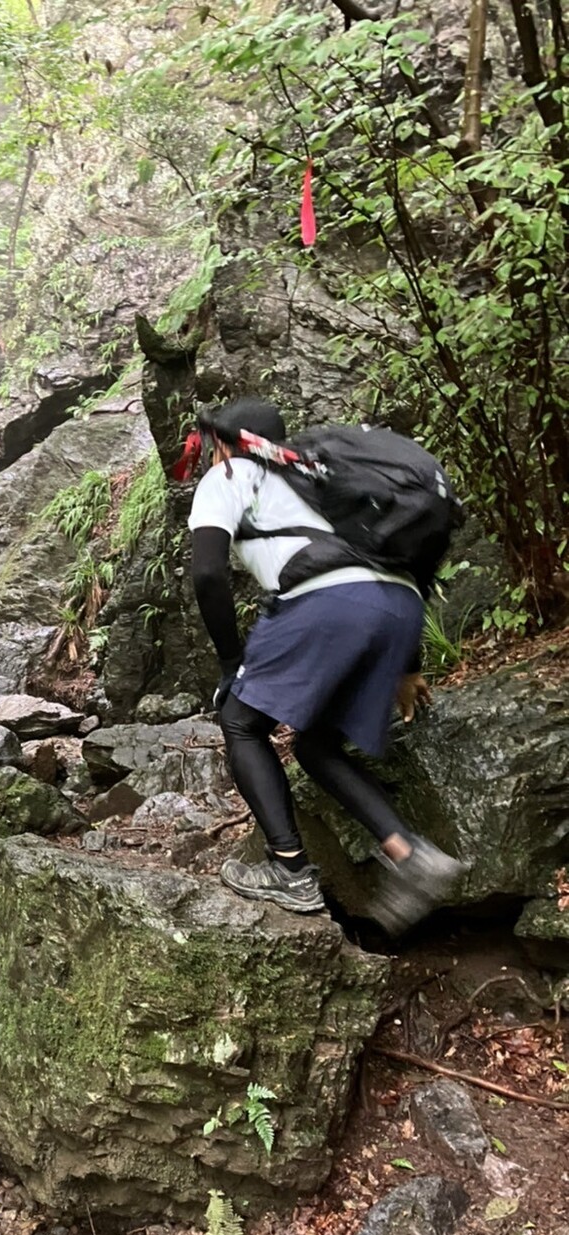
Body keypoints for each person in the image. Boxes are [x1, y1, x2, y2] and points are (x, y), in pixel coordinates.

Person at [187, 396, 464, 933]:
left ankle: (289, 870)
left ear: (225, 443)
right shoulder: (326, 485)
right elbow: (389, 571)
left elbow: (206, 574)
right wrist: (408, 666)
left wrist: (229, 663)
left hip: (328, 603)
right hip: (399, 605)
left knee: (241, 722)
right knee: (314, 743)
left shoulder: (228, 475)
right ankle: (413, 858)